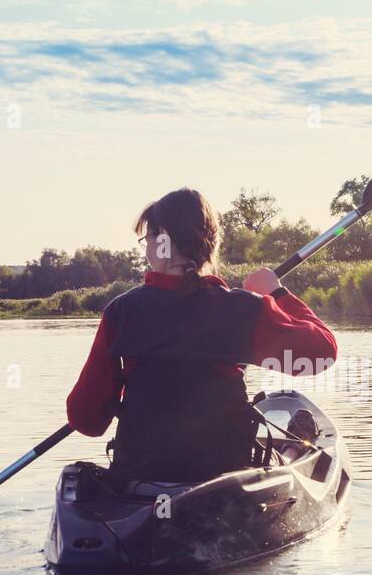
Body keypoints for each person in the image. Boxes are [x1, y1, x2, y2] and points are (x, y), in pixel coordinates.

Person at [66, 187, 337, 483]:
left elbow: (87, 421)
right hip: (223, 478)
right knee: (284, 455)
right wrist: (276, 293)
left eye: (146, 239)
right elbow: (322, 353)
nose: (145, 249)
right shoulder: (242, 309)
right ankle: (292, 451)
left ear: (163, 240)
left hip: (140, 479)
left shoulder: (121, 312)